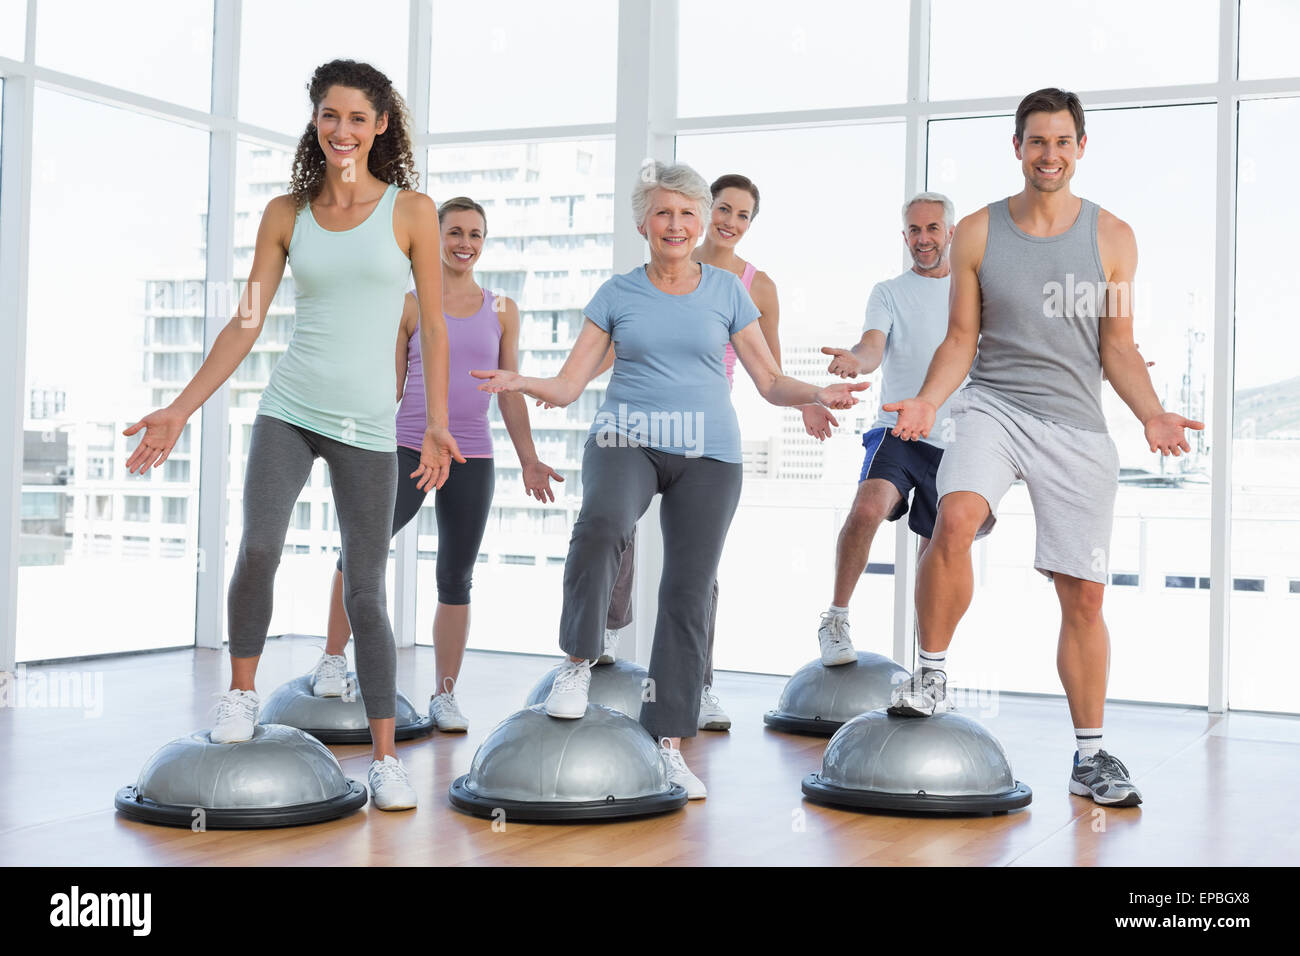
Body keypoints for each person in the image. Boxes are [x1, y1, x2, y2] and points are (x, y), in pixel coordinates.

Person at [124, 59, 461, 811]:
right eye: (330, 116)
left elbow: (434, 327)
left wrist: (435, 422)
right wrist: (180, 408)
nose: (342, 130)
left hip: (369, 427)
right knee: (260, 547)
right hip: (291, 408)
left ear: (381, 126)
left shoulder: (411, 211)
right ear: (317, 122)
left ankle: (382, 758)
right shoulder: (288, 213)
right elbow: (248, 321)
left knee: (367, 591)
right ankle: (241, 694)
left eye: (357, 118)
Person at [473, 162, 868, 799]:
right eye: (664, 213)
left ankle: (668, 744)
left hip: (709, 455)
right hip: (624, 439)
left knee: (687, 592)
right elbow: (573, 383)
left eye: (688, 214)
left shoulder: (729, 292)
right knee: (602, 523)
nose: (677, 225)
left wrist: (816, 392)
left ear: (702, 222)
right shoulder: (616, 293)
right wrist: (522, 382)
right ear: (643, 225)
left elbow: (768, 382)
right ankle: (578, 660)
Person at [884, 88, 1204, 808]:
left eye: (1062, 141)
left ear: (1081, 147)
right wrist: (932, 400)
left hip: (1075, 424)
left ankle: (1091, 757)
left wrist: (1151, 413)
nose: (1049, 154)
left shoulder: (1113, 237)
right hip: (993, 406)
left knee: (1085, 599)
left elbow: (1116, 348)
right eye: (1036, 141)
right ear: (1017, 146)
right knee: (956, 518)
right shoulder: (977, 232)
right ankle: (931, 674)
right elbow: (961, 337)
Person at [309, 197, 561, 733]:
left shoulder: (502, 310)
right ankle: (332, 658)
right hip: (406, 447)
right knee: (361, 548)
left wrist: (530, 461)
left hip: (473, 453)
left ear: (484, 241)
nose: (463, 243)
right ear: (436, 236)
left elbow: (511, 392)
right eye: (454, 233)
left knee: (456, 576)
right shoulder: (408, 304)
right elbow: (390, 387)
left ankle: (445, 695)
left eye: (474, 234)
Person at [600, 173, 805, 732]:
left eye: (743, 215)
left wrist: (807, 400)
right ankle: (603, 641)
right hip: (641, 422)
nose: (729, 222)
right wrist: (563, 378)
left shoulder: (751, 286)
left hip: (705, 432)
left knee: (695, 575)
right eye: (722, 209)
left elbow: (772, 371)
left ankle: (699, 687)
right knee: (614, 527)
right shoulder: (655, 271)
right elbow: (612, 342)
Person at [814, 192, 959, 666]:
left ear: (950, 233)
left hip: (956, 439)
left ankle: (929, 664)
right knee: (866, 508)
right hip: (897, 429)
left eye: (932, 229)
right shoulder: (889, 291)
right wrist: (856, 361)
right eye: (914, 231)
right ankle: (836, 618)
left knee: (936, 552)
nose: (923, 239)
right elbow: (873, 345)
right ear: (905, 237)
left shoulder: (971, 292)